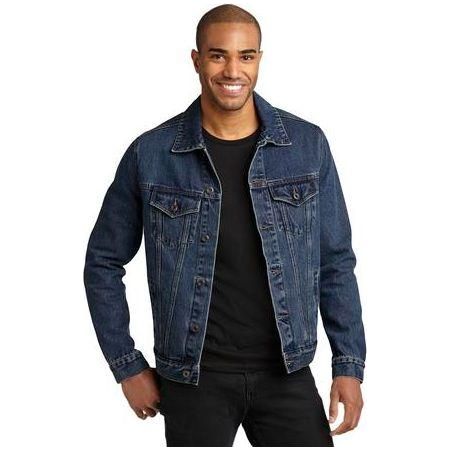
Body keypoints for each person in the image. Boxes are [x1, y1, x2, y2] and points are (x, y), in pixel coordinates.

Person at [83, 3, 366, 446]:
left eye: (245, 56)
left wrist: (348, 364)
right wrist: (126, 365)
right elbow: (102, 261)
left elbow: (335, 261)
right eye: (218, 56)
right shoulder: (151, 154)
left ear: (259, 59)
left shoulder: (307, 146)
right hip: (193, 378)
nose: (233, 70)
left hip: (287, 371)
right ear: (196, 60)